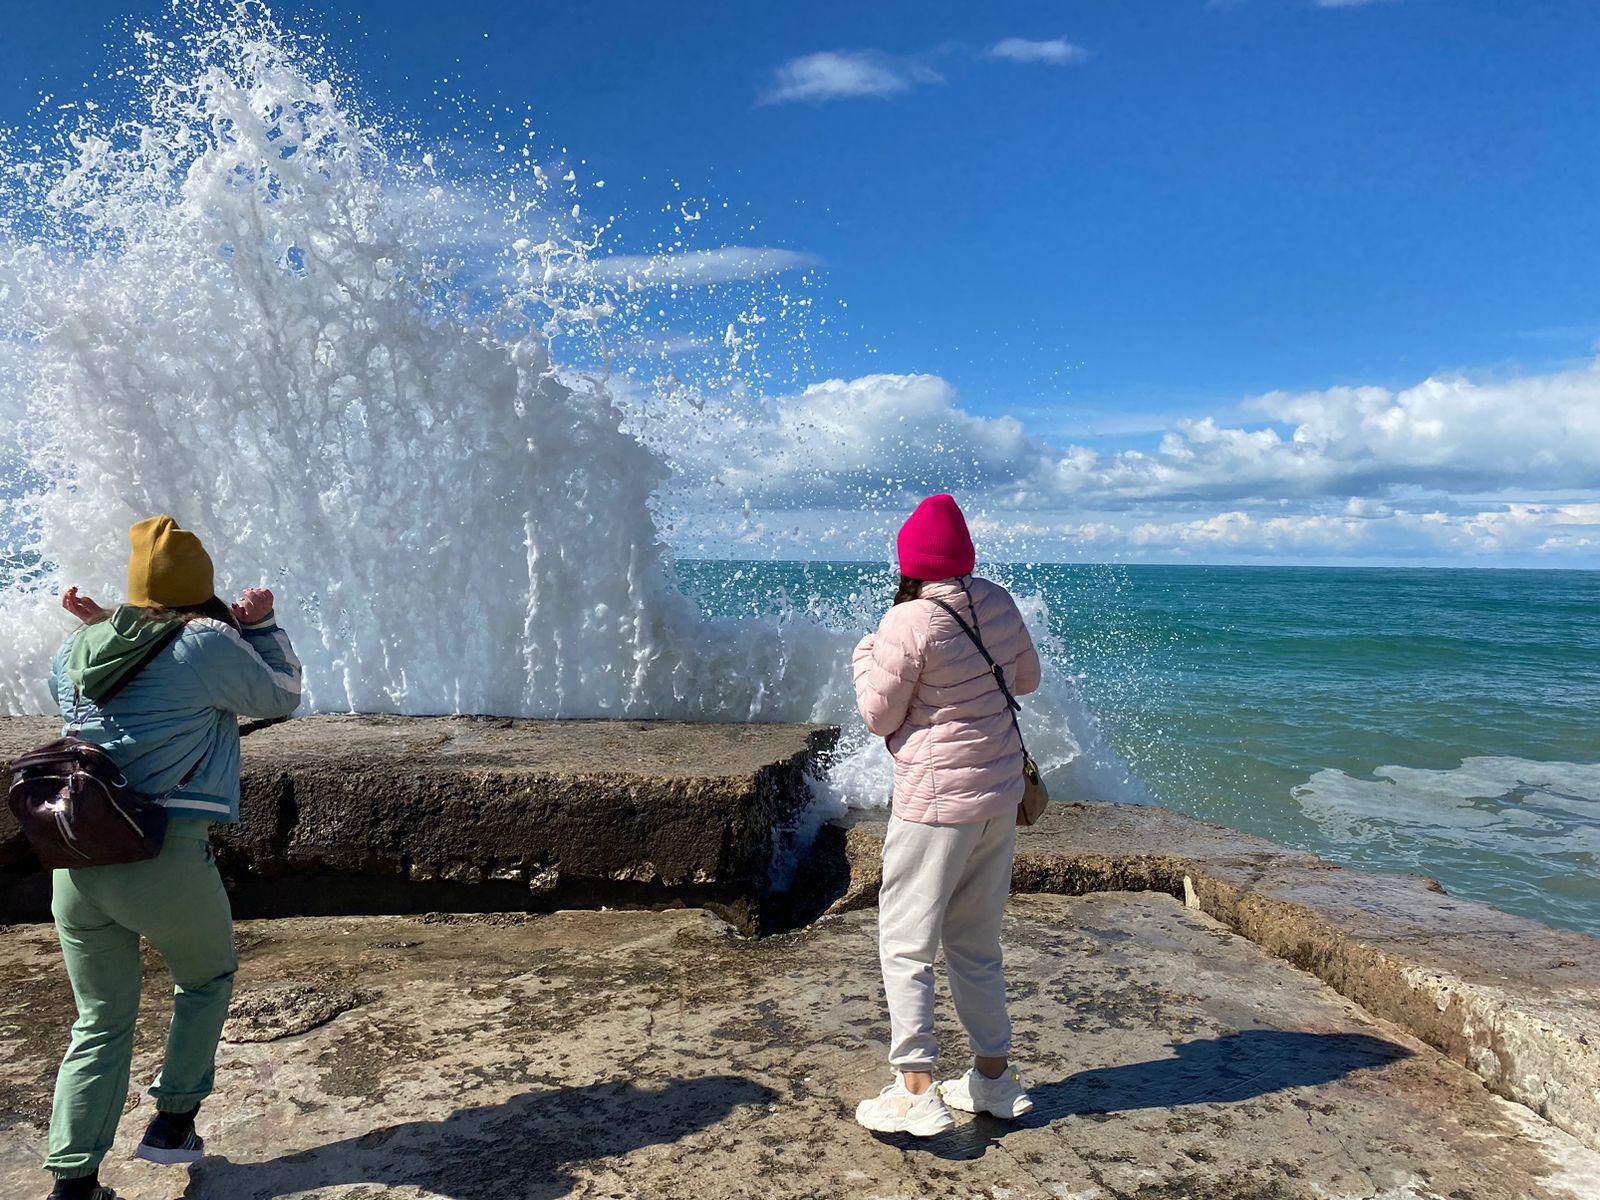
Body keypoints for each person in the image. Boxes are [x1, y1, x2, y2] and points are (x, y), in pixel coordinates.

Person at [39, 515, 302, 1200]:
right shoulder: (207, 642)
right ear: (199, 589)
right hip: (162, 855)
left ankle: (74, 1182)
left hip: (77, 863)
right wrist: (263, 627)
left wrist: (109, 624)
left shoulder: (77, 648)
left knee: (98, 1020)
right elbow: (283, 696)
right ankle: (174, 1122)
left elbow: (92, 701)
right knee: (207, 977)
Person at [850, 494, 1042, 1137]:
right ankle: (992, 1079)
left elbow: (878, 717)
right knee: (975, 942)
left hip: (934, 805)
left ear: (910, 563)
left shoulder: (906, 620)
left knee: (907, 942)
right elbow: (1027, 680)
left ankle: (915, 1089)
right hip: (997, 797)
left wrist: (863, 662)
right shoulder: (997, 600)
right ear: (964, 556)